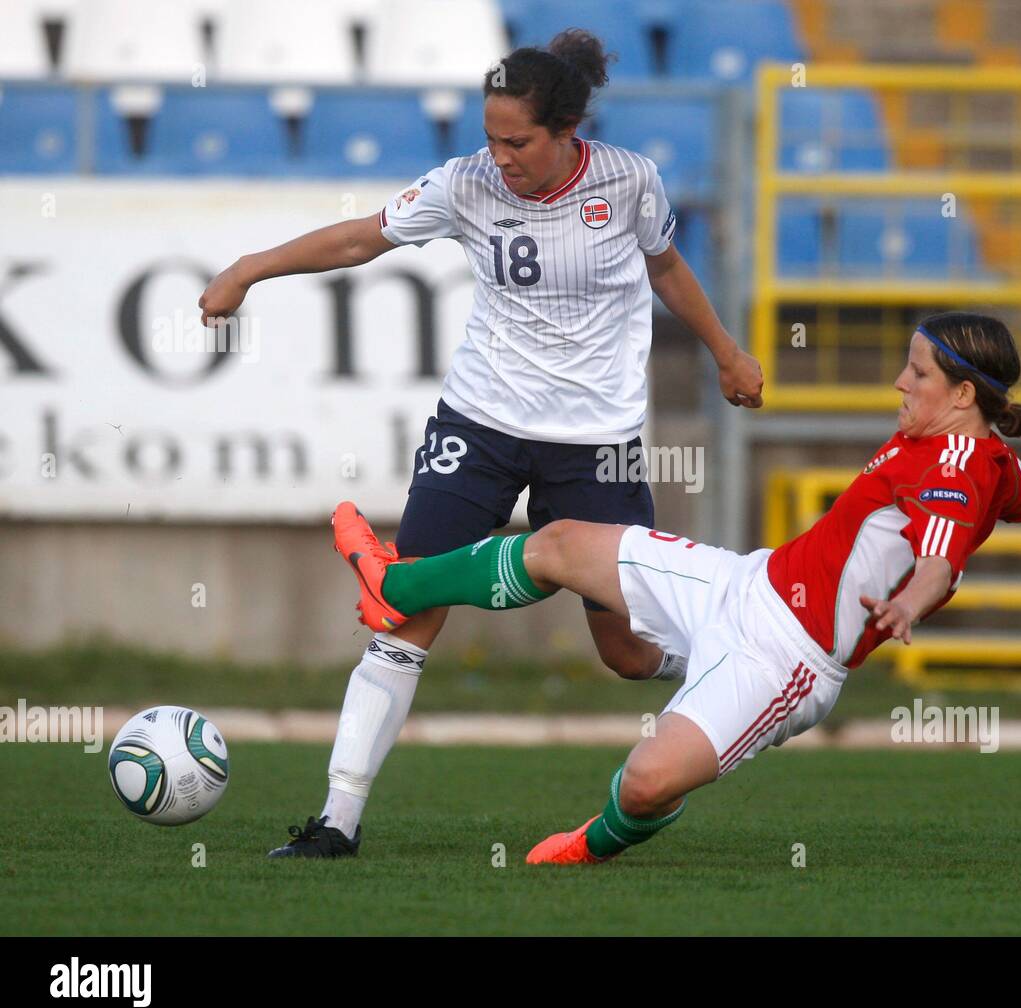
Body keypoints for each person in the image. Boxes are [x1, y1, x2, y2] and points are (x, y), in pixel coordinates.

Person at [325, 311, 1021, 864]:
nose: (899, 381)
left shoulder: (957, 460)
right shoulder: (985, 455)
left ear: (961, 392)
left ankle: (595, 843)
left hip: (787, 664)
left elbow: (941, 550)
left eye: (915, 372)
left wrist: (917, 599)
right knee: (561, 541)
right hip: (745, 583)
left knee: (643, 785)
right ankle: (392, 581)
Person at [198, 30, 764, 858]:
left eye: (517, 142)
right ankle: (336, 821)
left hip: (595, 442)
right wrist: (251, 267)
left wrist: (727, 351)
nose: (499, 157)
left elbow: (666, 267)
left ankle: (746, 667)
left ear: (568, 129)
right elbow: (361, 237)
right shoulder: (465, 185)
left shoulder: (629, 180)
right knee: (405, 605)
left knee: (625, 650)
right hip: (480, 425)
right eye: (491, 138)